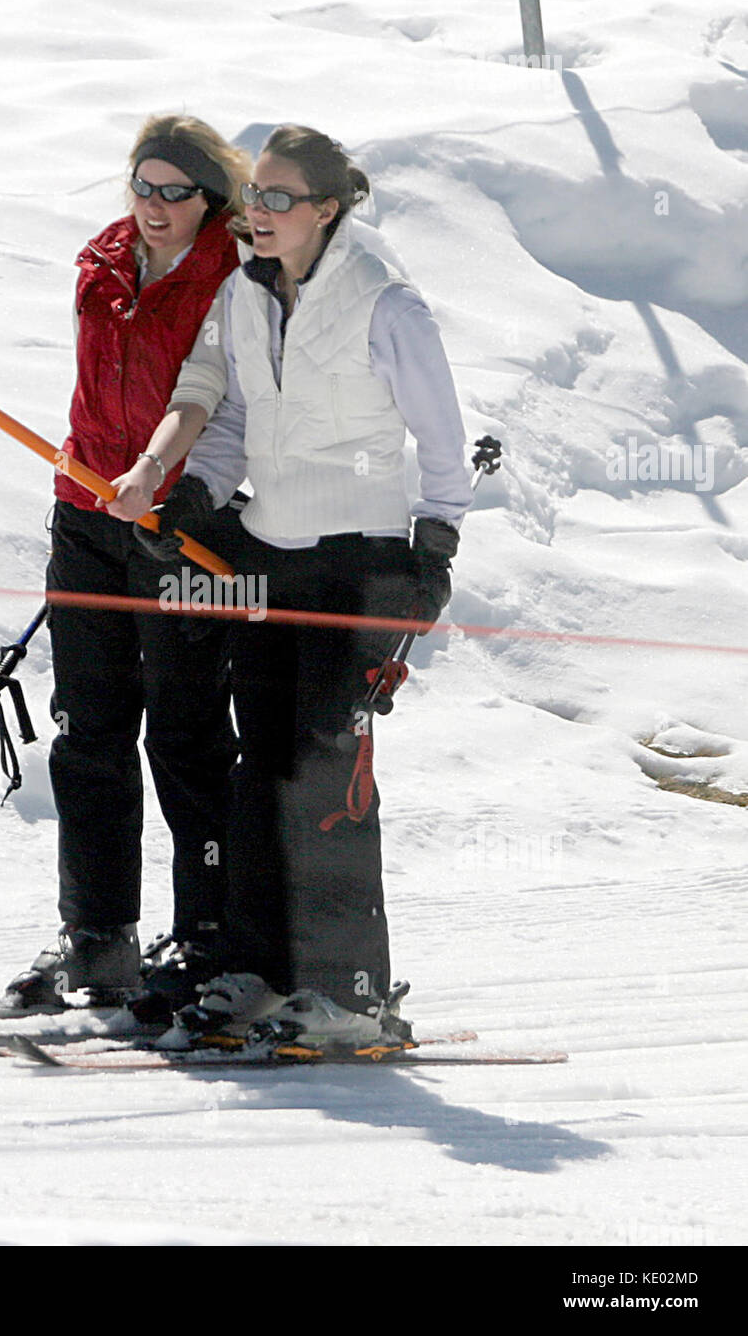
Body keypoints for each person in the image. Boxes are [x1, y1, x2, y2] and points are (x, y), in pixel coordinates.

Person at [107, 124, 473, 1049]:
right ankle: (262, 973)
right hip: (275, 552)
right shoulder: (243, 294)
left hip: (361, 560)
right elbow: (232, 421)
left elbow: (441, 437)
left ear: (325, 209)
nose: (257, 214)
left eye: (277, 200)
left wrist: (434, 548)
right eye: (254, 198)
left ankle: (354, 992)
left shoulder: (386, 304)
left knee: (329, 780)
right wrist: (195, 496)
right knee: (260, 774)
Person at [4, 117, 252, 1014]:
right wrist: (100, 483)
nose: (153, 207)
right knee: (88, 731)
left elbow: (232, 403)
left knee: (184, 736)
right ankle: (98, 936)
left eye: (174, 192)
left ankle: (209, 939)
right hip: (87, 512)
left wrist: (172, 493)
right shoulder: (103, 262)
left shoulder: (237, 278)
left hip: (180, 527)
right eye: (142, 187)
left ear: (209, 198)